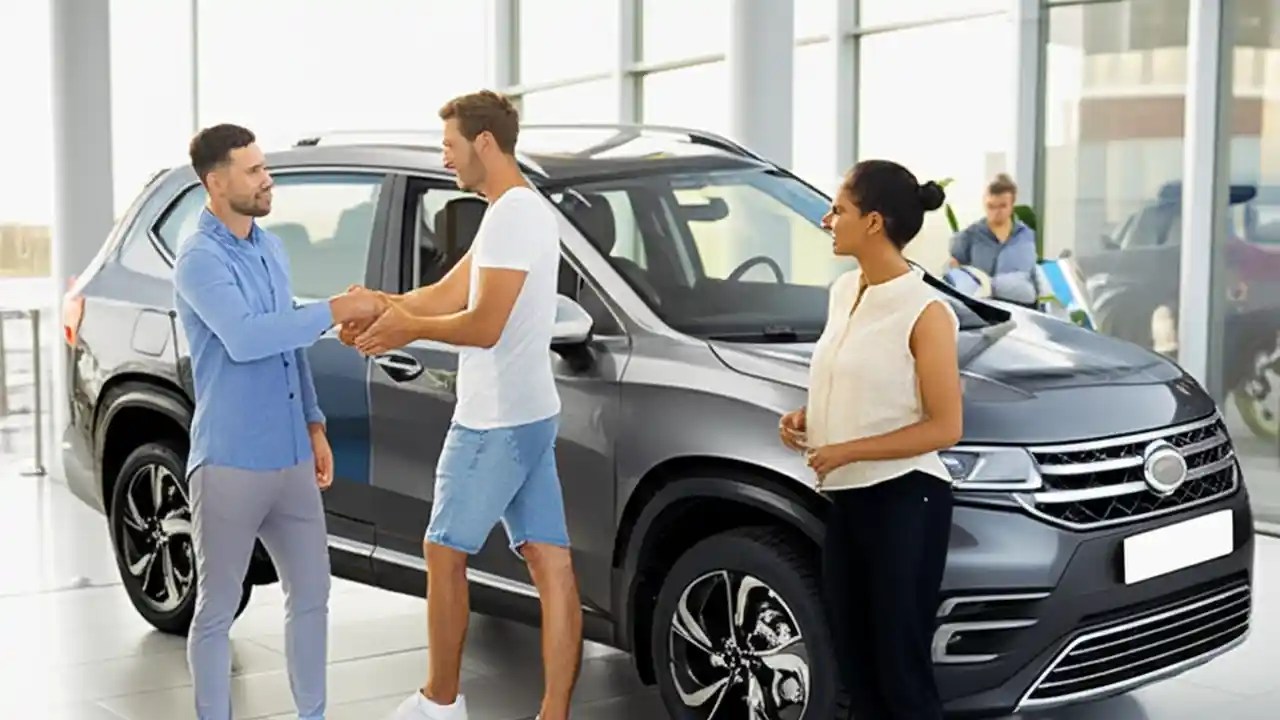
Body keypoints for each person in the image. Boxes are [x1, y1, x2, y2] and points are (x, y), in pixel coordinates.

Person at [341, 90, 581, 720]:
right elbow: (448, 292)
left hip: (493, 421)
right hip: (529, 413)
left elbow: (483, 326)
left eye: (449, 146)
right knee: (550, 561)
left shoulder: (511, 217)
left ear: (483, 143)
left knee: (444, 552)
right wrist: (382, 306)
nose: (444, 159)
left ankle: (439, 704)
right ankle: (553, 712)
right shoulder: (517, 210)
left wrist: (406, 331)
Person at [173, 123, 386, 720]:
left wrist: (316, 425)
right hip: (230, 464)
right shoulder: (198, 259)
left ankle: (312, 716)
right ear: (216, 183)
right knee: (217, 608)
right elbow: (246, 338)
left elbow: (292, 348)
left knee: (313, 596)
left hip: (292, 457)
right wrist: (336, 309)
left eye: (265, 167)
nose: (267, 180)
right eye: (253, 170)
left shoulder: (271, 247)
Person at [779, 160, 963, 719]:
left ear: (874, 222)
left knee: (900, 673)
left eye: (839, 209)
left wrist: (847, 449)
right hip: (848, 501)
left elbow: (945, 427)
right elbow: (857, 377)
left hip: (907, 500)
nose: (826, 219)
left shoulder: (927, 312)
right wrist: (811, 415)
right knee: (856, 667)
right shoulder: (844, 291)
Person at [948, 173, 1038, 304]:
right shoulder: (970, 236)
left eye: (1002, 206)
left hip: (1023, 308)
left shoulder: (1026, 236)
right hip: (985, 311)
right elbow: (955, 269)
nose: (996, 212)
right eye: (991, 206)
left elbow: (1033, 276)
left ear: (1012, 204)